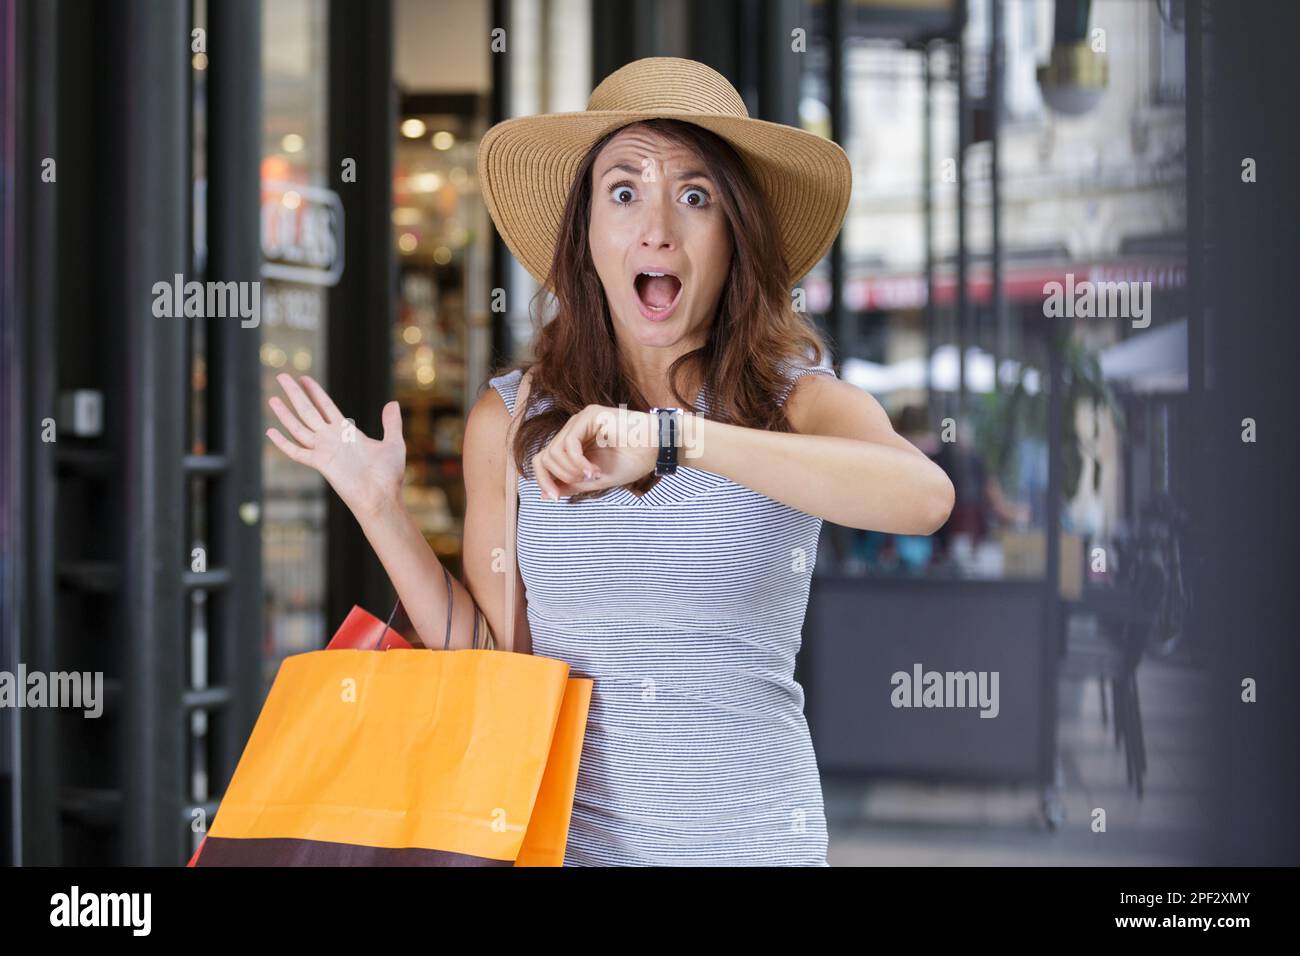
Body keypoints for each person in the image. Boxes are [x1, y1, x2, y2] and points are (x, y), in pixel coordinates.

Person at [265, 57, 954, 866]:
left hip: (758, 844)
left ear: (735, 235)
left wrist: (676, 439)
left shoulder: (793, 401)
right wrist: (379, 505)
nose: (656, 227)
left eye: (695, 196)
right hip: (574, 850)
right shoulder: (514, 417)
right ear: (586, 236)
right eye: (623, 192)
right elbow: (493, 659)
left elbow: (923, 497)